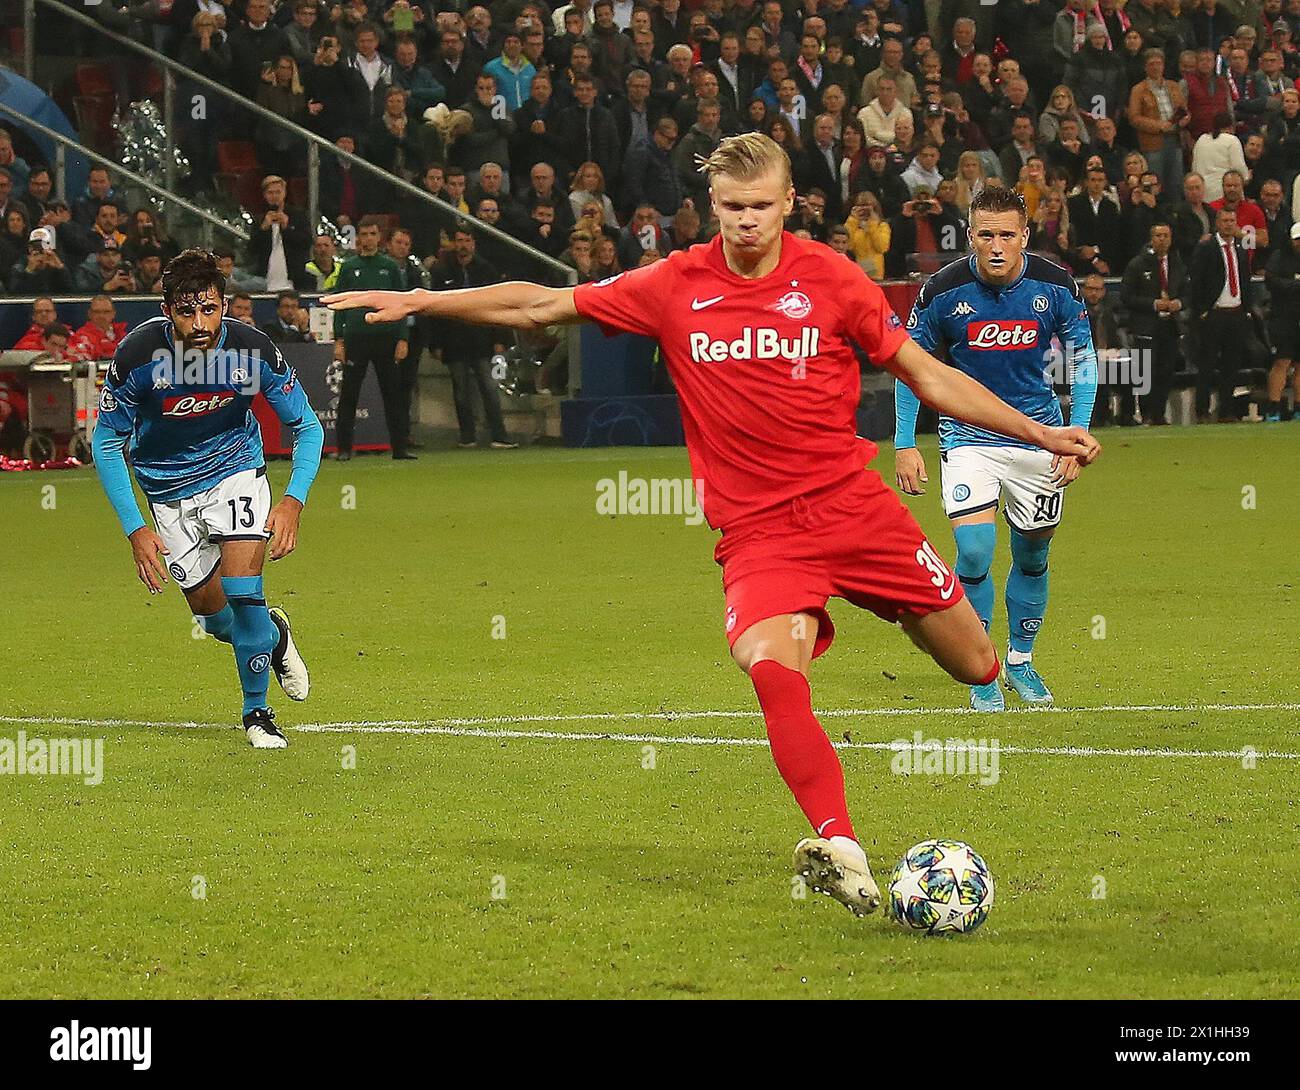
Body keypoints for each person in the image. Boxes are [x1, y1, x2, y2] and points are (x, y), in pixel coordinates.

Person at [324, 133, 1100, 917]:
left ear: (789, 201)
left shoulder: (833, 280)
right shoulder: (675, 284)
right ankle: (843, 846)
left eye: (762, 206)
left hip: (855, 511)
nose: (747, 222)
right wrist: (422, 301)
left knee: (976, 666)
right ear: (713, 207)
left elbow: (927, 374)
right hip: (760, 531)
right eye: (732, 208)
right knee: (769, 668)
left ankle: (896, 609)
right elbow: (537, 306)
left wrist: (1039, 433)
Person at [91, 249, 323, 749]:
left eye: (210, 308)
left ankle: (257, 713)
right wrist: (136, 528)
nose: (199, 323)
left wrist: (292, 500)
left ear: (225, 304)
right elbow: (106, 443)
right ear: (167, 308)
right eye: (186, 310)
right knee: (220, 621)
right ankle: (276, 637)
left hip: (235, 472)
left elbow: (306, 425)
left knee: (244, 592)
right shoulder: (137, 357)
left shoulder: (254, 349)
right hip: (166, 492)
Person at [894, 186, 1099, 712]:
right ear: (970, 237)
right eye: (986, 235)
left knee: (1032, 556)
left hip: (1040, 439)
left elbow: (1084, 360)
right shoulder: (942, 290)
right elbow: (908, 366)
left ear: (1025, 236)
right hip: (969, 439)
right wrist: (903, 442)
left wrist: (1076, 435)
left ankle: (1020, 660)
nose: (997, 245)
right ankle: (981, 669)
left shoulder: (1055, 285)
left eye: (1007, 234)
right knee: (976, 552)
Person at [426, 225, 517, 449]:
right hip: (454, 340)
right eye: (459, 240)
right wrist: (435, 343)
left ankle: (499, 435)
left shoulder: (486, 270)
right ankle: (467, 436)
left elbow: (498, 305)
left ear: (473, 243)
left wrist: (500, 338)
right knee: (460, 391)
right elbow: (434, 310)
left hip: (482, 339)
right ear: (453, 243)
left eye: (467, 240)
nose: (463, 245)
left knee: (489, 388)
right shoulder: (442, 271)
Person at [331, 217, 412, 460]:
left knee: (393, 395)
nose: (367, 239)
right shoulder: (348, 266)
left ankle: (400, 448)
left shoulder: (389, 267)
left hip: (386, 337)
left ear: (379, 237)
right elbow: (340, 304)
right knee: (349, 394)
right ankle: (344, 449)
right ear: (358, 238)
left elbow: (402, 304)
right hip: (357, 337)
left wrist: (403, 338)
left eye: (372, 234)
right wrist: (339, 339)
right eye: (363, 234)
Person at [1188, 206, 1254, 422]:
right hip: (1214, 313)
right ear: (1217, 223)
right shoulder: (1206, 248)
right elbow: (1197, 281)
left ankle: (1227, 410)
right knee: (1206, 365)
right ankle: (1202, 411)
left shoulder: (1240, 249)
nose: (1228, 224)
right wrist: (1202, 311)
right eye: (1225, 220)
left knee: (1231, 365)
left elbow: (1245, 280)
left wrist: (1246, 309)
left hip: (1236, 313)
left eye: (1232, 221)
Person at [1121, 220, 1186, 427]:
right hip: (1146, 326)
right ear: (1151, 238)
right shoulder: (1138, 264)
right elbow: (1126, 296)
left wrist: (1180, 303)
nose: (1162, 240)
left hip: (1170, 325)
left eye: (1166, 236)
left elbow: (1188, 292)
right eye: (1158, 236)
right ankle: (1146, 413)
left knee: (1166, 371)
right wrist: (1152, 304)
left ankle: (1159, 414)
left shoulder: (1177, 263)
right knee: (1145, 372)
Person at [1264, 222, 1300, 420]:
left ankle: (1298, 408)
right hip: (1283, 318)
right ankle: (1274, 408)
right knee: (1282, 362)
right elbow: (1272, 281)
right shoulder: (1279, 257)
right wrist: (1296, 285)